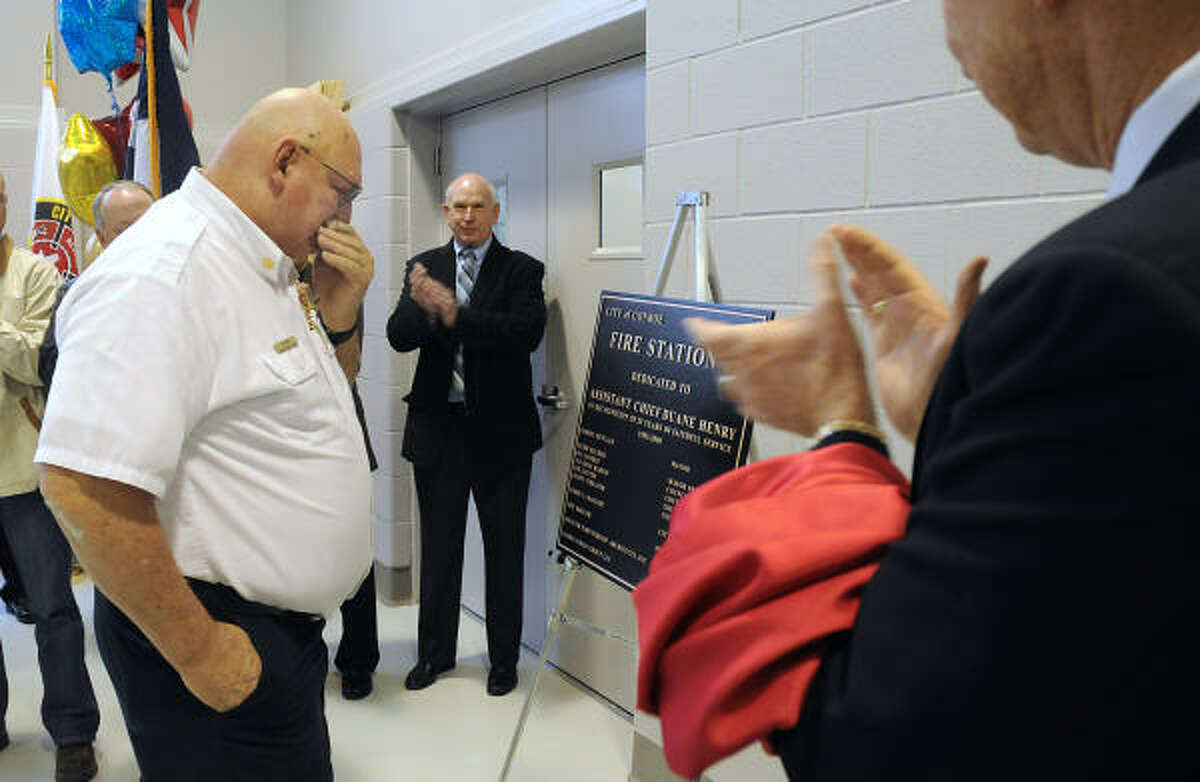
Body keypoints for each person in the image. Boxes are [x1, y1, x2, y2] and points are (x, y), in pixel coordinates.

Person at [680, 1, 1200, 778]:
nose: (948, 32)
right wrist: (958, 414)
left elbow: (881, 743)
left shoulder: (1108, 290)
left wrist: (840, 428)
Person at [36, 88, 375, 781]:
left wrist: (338, 314)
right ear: (286, 161)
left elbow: (303, 415)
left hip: (277, 633)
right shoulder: (167, 273)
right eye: (342, 194)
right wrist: (201, 654)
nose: (344, 217)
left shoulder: (262, 261)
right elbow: (83, 483)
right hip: (214, 634)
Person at [387, 172, 545, 697]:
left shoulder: (522, 270)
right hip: (440, 433)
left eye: (478, 206)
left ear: (495, 212)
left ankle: (503, 662)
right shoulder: (424, 267)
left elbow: (522, 334)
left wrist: (456, 311)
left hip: (501, 437)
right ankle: (434, 655)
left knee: (505, 551)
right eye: (458, 206)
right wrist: (430, 310)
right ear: (446, 211)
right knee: (440, 549)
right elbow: (398, 335)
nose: (468, 216)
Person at [0, 171, 100, 780]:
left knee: (54, 611)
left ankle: (72, 731)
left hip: (26, 476)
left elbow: (40, 362)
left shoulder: (36, 274)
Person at [39, 179, 155, 392]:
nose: (139, 237)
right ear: (102, 238)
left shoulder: (186, 283)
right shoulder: (76, 294)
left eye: (147, 225)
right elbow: (52, 372)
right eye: (124, 231)